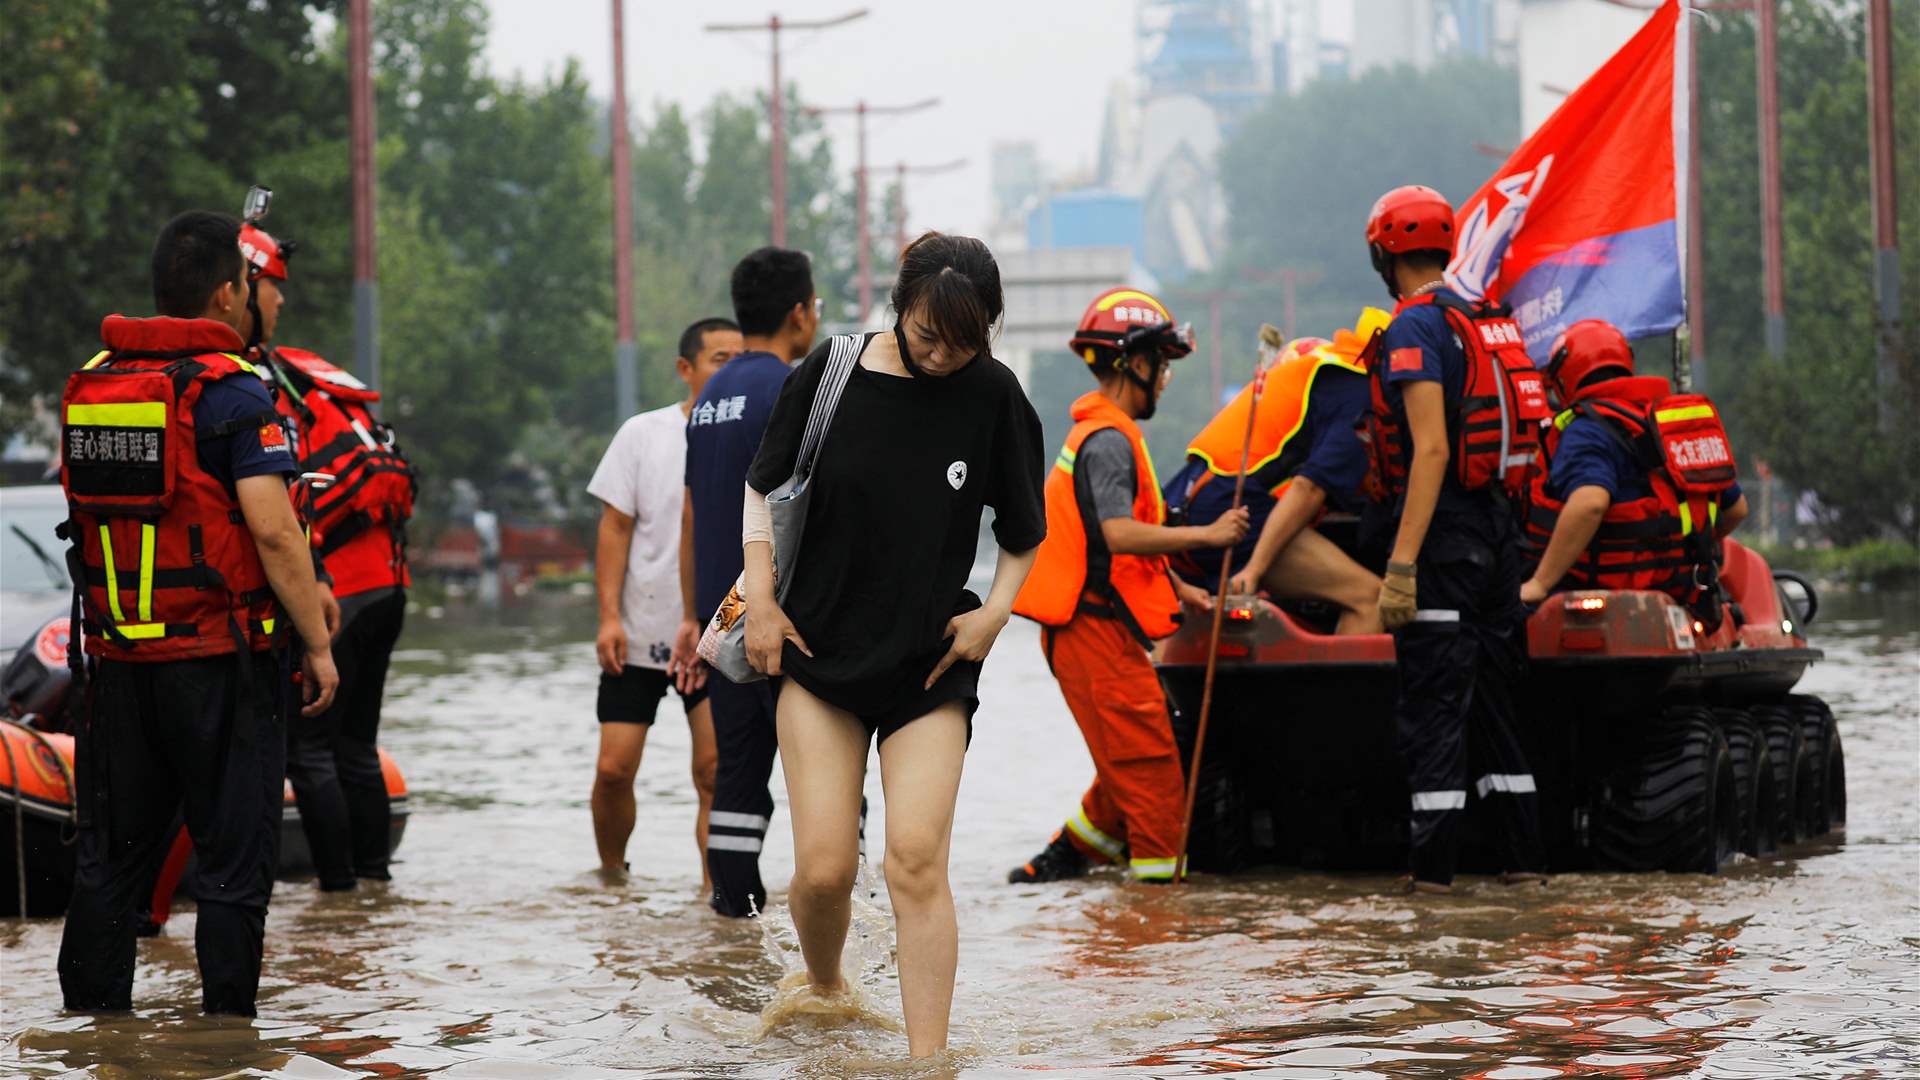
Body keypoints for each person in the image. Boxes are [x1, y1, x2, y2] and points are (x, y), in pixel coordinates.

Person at [741, 232, 1045, 1058]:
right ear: (899, 308)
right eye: (927, 337)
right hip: (819, 651)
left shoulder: (994, 396)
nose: (943, 355)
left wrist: (997, 613)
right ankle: (827, 983)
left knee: (913, 859)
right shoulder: (832, 371)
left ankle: (927, 1065)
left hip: (931, 663)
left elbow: (1024, 531)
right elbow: (764, 487)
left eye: (965, 339)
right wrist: (760, 599)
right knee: (827, 869)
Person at [57, 210, 339, 1015]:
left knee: (111, 861)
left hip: (117, 662)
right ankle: (223, 1045)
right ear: (226, 293)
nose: (255, 297)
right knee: (230, 861)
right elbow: (275, 531)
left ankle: (91, 1039)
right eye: (250, 283)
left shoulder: (97, 382)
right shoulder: (233, 395)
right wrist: (317, 647)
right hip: (221, 662)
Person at [1005, 287, 1249, 886]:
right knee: (1153, 770)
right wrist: (1208, 535)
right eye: (1161, 365)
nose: (1165, 379)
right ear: (1133, 363)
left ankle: (1063, 859)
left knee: (1132, 758)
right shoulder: (1110, 441)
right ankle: (1154, 921)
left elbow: (1111, 553)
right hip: (1091, 635)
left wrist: (1183, 594)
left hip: (1095, 629)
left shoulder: (1109, 434)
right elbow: (1118, 535)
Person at [1359, 185, 1549, 894]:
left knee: (1435, 709)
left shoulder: (1414, 328)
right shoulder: (1483, 319)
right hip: (1501, 537)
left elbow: (1431, 450)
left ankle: (1432, 886)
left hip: (1445, 542)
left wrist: (1401, 565)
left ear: (1383, 252)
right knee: (1501, 709)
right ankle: (1525, 868)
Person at [250, 218, 418, 892]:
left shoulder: (258, 383)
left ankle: (337, 892)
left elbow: (278, 505)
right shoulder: (319, 382)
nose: (280, 301)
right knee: (357, 746)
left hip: (337, 590)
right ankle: (372, 886)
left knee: (310, 747)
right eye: (273, 288)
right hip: (389, 586)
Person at [676, 248, 819, 917]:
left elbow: (695, 510)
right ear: (800, 312)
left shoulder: (709, 398)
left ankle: (732, 924)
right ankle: (849, 932)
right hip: (783, 614)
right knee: (827, 771)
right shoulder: (793, 387)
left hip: (724, 615)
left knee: (737, 777)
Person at [587, 317, 741, 883]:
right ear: (686, 368)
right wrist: (607, 617)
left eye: (738, 359)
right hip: (638, 632)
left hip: (714, 634)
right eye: (718, 359)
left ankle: (712, 901)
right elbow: (614, 528)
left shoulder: (745, 433)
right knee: (613, 769)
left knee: (712, 770)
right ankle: (611, 878)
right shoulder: (643, 433)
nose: (729, 369)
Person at [1165, 310, 1386, 634]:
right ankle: (1342, 687)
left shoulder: (1328, 371)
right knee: (1371, 597)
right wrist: (1255, 569)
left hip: (1188, 497)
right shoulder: (1360, 391)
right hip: (1231, 503)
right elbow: (1308, 488)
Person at [1518, 319, 1749, 612]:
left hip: (1604, 592)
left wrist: (1539, 583)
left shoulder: (1587, 429)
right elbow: (1737, 508)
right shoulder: (1671, 425)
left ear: (1564, 378)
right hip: (1679, 594)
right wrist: (1687, 548)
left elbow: (1590, 503)